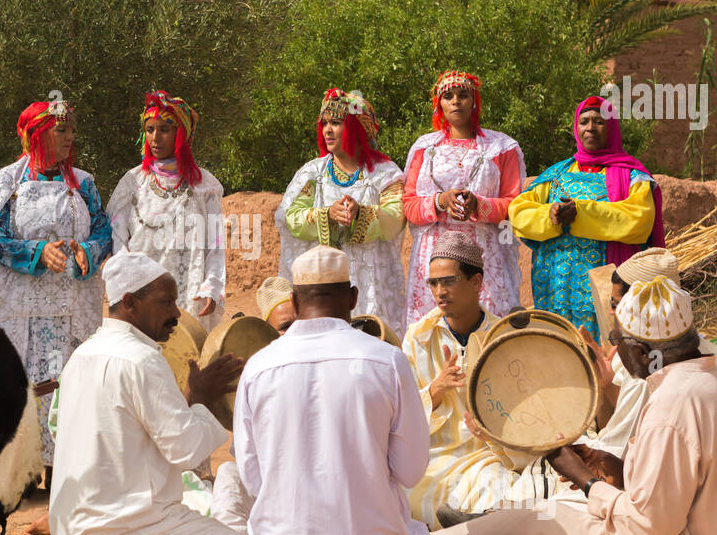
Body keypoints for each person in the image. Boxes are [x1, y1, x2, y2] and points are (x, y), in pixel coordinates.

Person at [432, 276, 717, 535]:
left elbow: (651, 526)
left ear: (640, 350)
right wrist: (612, 468)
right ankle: (484, 529)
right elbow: (686, 488)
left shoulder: (672, 405)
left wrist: (584, 479)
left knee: (544, 526)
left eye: (617, 340)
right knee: (558, 510)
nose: (614, 348)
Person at [233, 245, 494, 535]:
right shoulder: (387, 359)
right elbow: (410, 471)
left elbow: (252, 477)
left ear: (293, 299)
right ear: (353, 297)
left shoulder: (258, 367)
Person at [51, 251, 252, 535]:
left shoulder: (82, 355)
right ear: (130, 302)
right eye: (166, 302)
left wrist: (189, 397)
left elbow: (141, 432)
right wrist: (203, 398)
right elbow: (186, 452)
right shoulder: (143, 360)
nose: (176, 313)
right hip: (119, 528)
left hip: (68, 533)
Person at [508, 246, 717, 505]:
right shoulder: (703, 368)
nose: (611, 314)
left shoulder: (663, 387)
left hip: (677, 528)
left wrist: (586, 480)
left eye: (616, 305)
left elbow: (651, 518)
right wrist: (606, 389)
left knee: (545, 493)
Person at [0, 99, 113, 468]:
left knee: (68, 383)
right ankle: (22, 471)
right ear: (39, 134)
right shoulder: (9, 182)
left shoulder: (85, 184)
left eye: (71, 130)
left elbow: (104, 230)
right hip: (23, 312)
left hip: (70, 308)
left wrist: (88, 252)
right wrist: (36, 252)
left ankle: (62, 470)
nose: (69, 137)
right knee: (23, 384)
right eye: (61, 130)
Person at [400, 232, 529, 527]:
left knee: (501, 490)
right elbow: (399, 414)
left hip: (487, 455)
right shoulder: (418, 338)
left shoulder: (503, 337)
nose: (439, 291)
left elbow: (524, 411)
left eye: (448, 281)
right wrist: (436, 388)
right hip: (433, 458)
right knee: (399, 495)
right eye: (433, 282)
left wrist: (491, 430)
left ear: (476, 282)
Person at [509, 95, 664, 338]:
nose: (590, 127)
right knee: (561, 350)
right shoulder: (555, 174)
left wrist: (581, 213)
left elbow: (639, 219)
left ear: (611, 127)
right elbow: (518, 212)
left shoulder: (632, 175)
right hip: (556, 285)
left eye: (599, 121)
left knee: (607, 351)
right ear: (576, 128)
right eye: (584, 122)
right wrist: (549, 215)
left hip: (607, 284)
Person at [403, 71, 525, 330]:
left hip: (485, 255)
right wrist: (440, 201)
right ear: (439, 104)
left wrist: (478, 205)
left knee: (488, 332)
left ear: (474, 101)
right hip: (434, 256)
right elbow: (410, 205)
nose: (456, 101)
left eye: (463, 95)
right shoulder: (424, 148)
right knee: (433, 333)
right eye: (448, 96)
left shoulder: (501, 147)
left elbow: (514, 204)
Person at [277, 88, 406, 325]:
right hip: (322, 282)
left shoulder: (385, 173)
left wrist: (362, 214)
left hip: (370, 284)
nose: (327, 129)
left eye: (336, 123)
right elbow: (289, 216)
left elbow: (396, 218)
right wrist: (326, 215)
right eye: (324, 123)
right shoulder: (313, 172)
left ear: (358, 128)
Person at [107, 90, 226, 332]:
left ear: (180, 134)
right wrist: (126, 282)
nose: (154, 137)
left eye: (163, 130)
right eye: (150, 130)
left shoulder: (204, 185)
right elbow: (118, 237)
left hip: (190, 292)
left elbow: (215, 242)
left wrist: (212, 286)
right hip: (141, 294)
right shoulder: (133, 181)